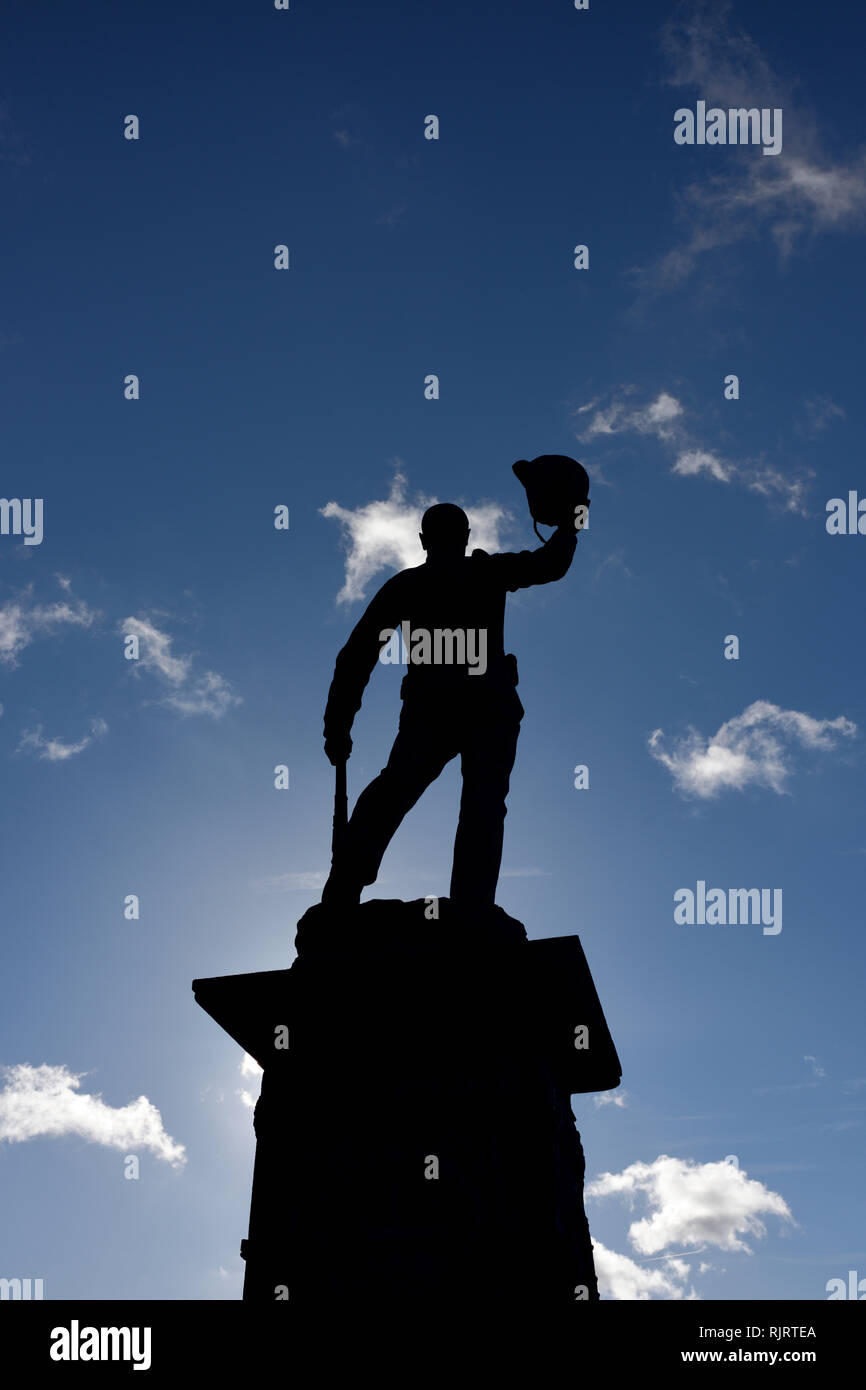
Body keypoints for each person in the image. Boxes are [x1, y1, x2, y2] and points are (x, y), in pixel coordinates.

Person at [321, 500, 579, 912]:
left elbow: (357, 656)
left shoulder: (407, 586)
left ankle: (343, 889)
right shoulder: (487, 571)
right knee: (482, 805)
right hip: (482, 706)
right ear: (467, 537)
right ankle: (471, 905)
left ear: (423, 540)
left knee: (396, 793)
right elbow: (551, 563)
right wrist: (572, 520)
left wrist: (338, 723)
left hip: (439, 709)